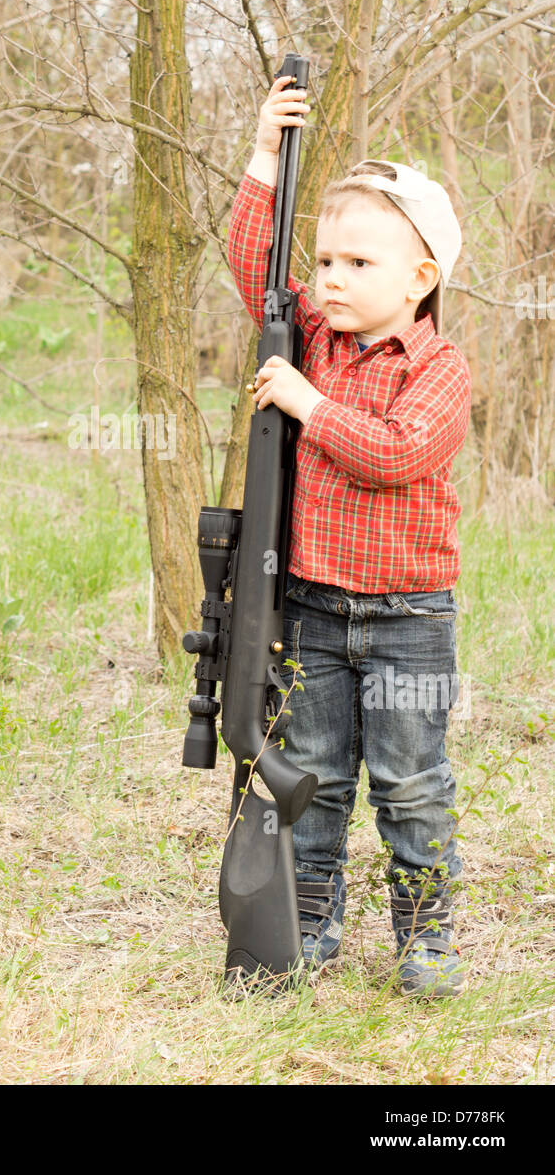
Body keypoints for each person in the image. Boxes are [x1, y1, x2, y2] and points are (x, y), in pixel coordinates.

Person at [226, 74, 472, 997]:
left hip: (411, 616)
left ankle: (427, 933)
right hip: (317, 611)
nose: (331, 278)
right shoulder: (312, 338)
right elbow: (255, 271)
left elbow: (399, 453)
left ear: (421, 279)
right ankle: (312, 918)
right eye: (326, 261)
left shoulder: (439, 369)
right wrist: (263, 155)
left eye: (359, 265)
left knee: (412, 782)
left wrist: (307, 403)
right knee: (319, 778)